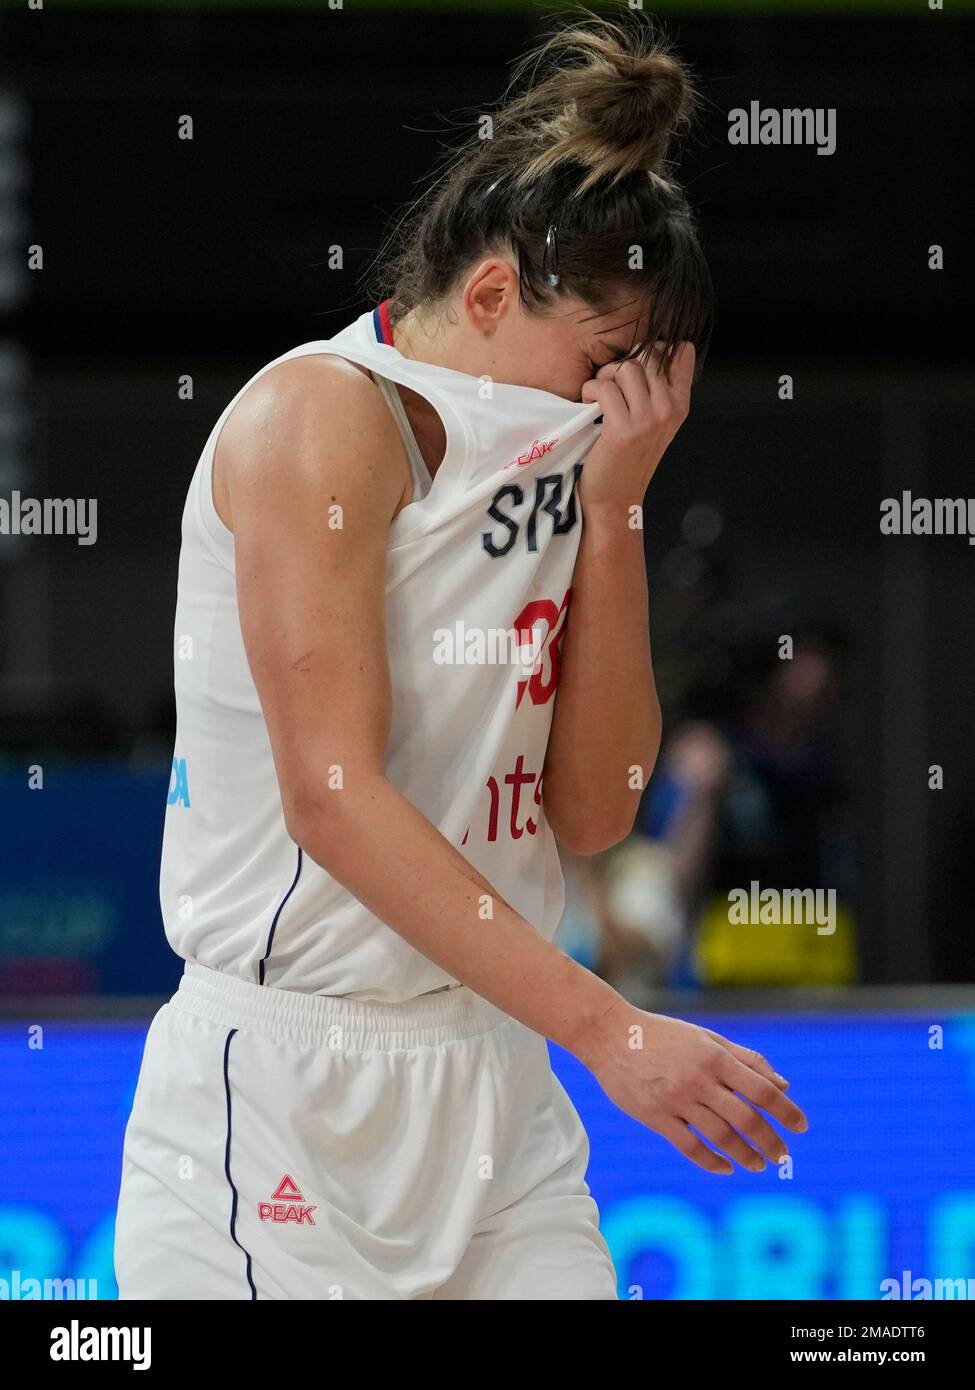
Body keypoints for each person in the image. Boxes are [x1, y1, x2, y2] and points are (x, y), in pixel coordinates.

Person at [114, 8, 807, 1302]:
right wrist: (611, 1028)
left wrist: (613, 512)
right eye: (602, 364)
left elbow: (595, 814)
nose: (614, 404)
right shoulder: (316, 419)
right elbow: (331, 799)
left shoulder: (556, 461)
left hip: (493, 1072)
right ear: (491, 294)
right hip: (285, 1094)